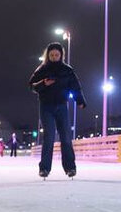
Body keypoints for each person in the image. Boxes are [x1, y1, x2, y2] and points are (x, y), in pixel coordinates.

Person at [28, 42, 87, 178]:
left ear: (61, 55)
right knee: (48, 137)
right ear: (48, 55)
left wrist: (80, 101)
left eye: (57, 54)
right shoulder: (42, 69)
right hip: (46, 107)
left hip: (61, 106)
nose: (54, 57)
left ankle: (70, 168)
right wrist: (43, 83)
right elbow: (31, 86)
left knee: (66, 137)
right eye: (52, 55)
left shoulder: (67, 70)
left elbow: (75, 87)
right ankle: (44, 169)